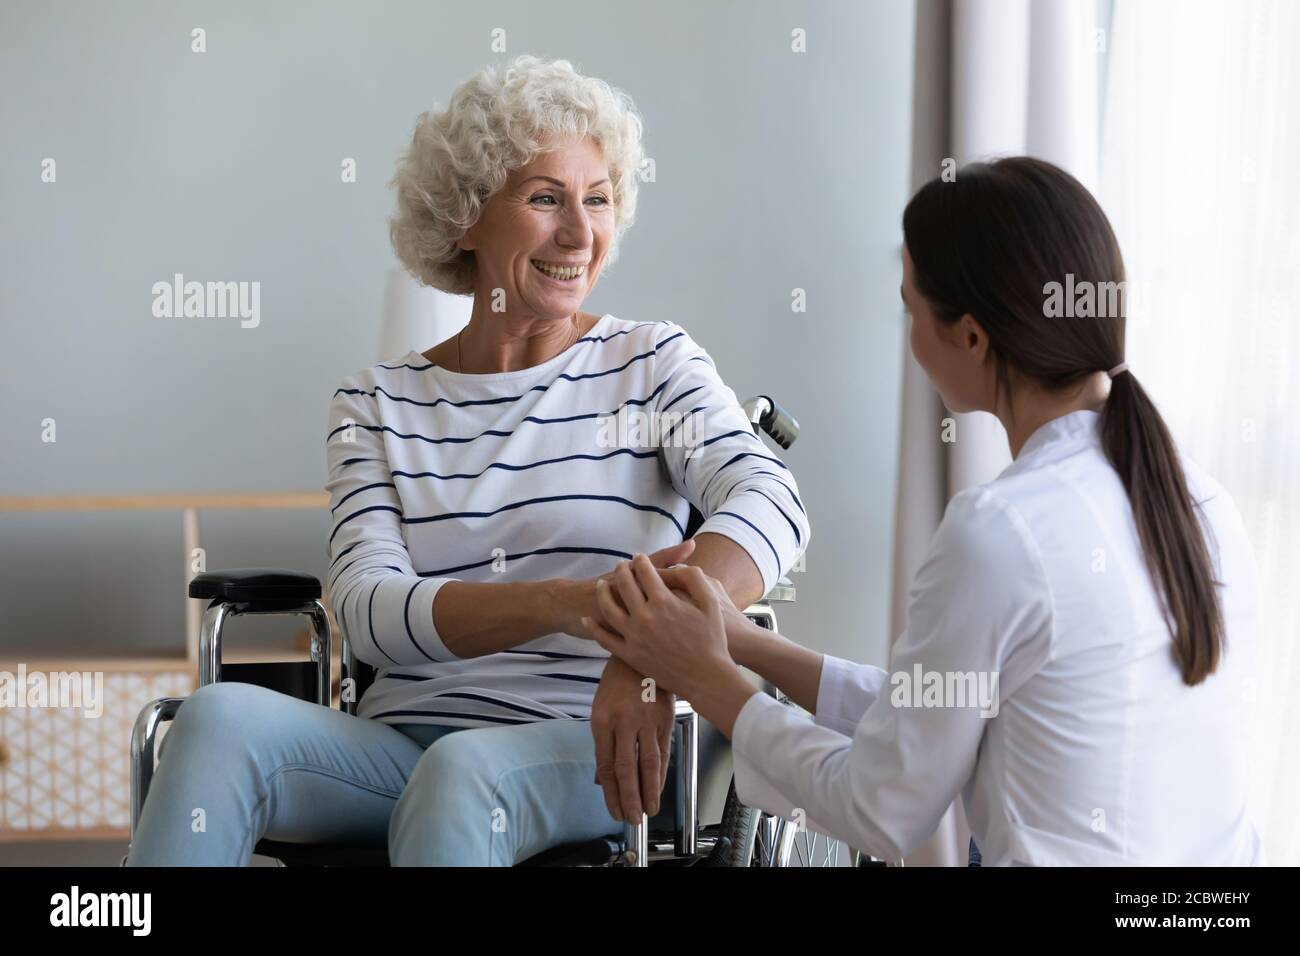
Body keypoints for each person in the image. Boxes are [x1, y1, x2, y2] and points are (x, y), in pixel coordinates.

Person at [126, 55, 807, 866]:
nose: (580, 233)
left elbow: (771, 502)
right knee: (214, 720)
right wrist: (566, 602)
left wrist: (643, 646)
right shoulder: (375, 402)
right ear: (467, 215)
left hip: (585, 744)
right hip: (397, 752)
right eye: (545, 197)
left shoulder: (651, 364)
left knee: (461, 773)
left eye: (597, 200)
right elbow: (370, 607)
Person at [583, 157, 1263, 866]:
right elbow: (941, 710)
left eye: (911, 308)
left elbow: (880, 810)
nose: (909, 338)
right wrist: (742, 644)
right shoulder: (1200, 502)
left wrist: (706, 680)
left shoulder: (1002, 531)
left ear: (970, 337)